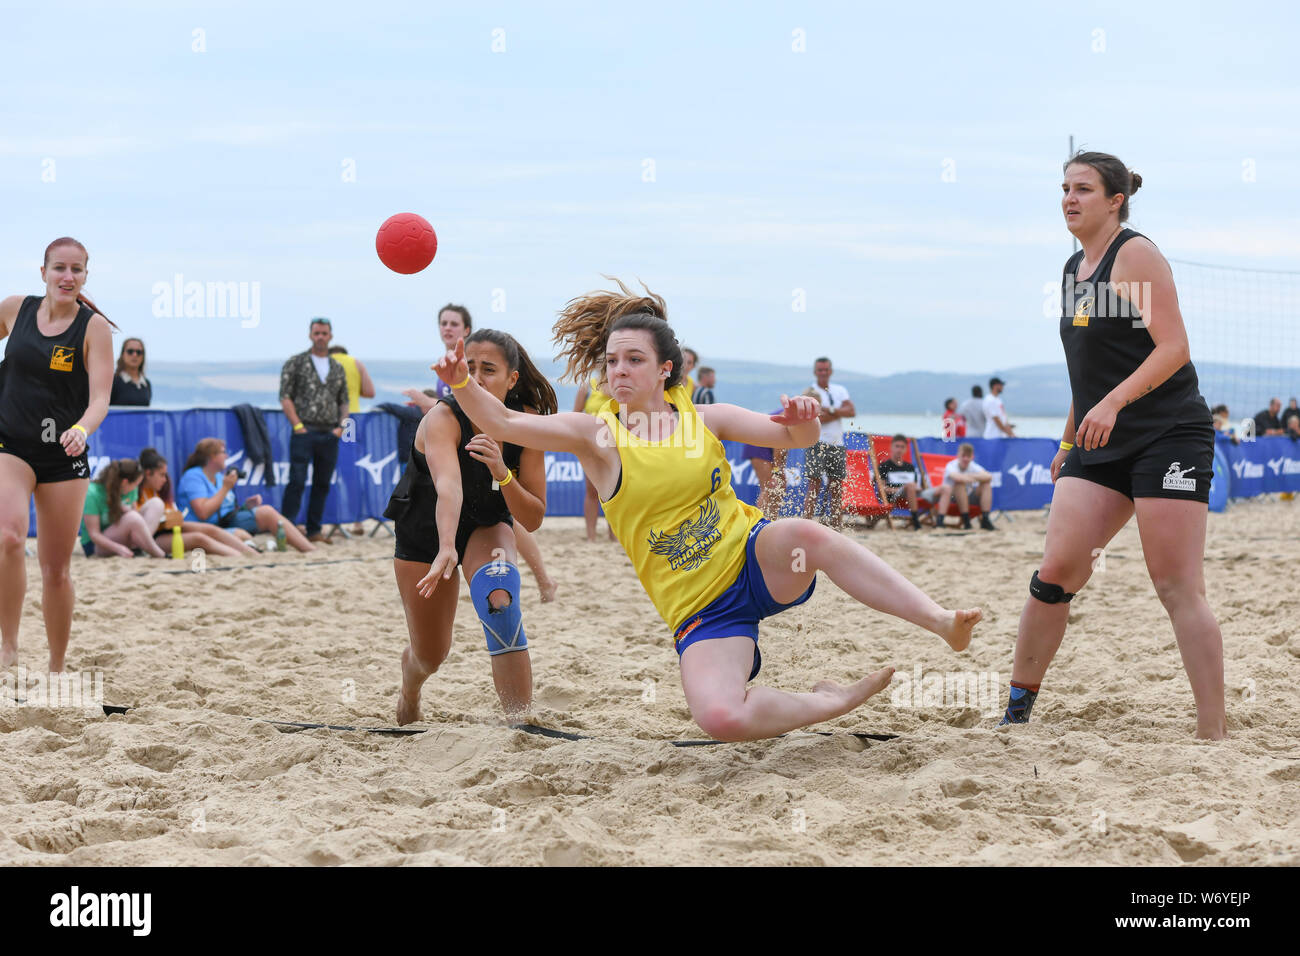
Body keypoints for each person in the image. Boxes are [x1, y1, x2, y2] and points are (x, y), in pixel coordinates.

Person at [435, 278, 981, 742]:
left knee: (805, 534)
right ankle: (831, 701)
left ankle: (939, 621)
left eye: (633, 360)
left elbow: (794, 438)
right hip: (703, 611)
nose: (618, 371)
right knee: (720, 717)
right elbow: (505, 423)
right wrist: (461, 381)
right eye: (611, 361)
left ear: (665, 368)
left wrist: (806, 415)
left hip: (754, 560)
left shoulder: (706, 418)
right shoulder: (598, 435)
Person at [1004, 150, 1224, 740]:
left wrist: (1113, 403)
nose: (1069, 199)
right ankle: (1016, 715)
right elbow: (1088, 366)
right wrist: (1069, 435)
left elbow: (1173, 347)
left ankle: (1213, 731)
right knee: (1055, 573)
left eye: (1082, 189)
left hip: (1168, 433)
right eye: (1065, 189)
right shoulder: (1074, 268)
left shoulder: (1137, 255)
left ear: (1115, 199)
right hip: (1098, 438)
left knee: (1176, 584)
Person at [388, 328, 556, 724]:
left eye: (489, 370)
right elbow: (449, 489)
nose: (477, 378)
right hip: (426, 531)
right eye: (471, 368)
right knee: (430, 655)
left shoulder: (527, 423)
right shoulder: (442, 418)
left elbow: (531, 517)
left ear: (512, 379)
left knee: (500, 598)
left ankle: (520, 723)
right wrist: (447, 546)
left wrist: (503, 472)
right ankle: (410, 689)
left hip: (485, 523)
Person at [0, 237, 115, 671]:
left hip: (64, 453)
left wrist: (82, 430)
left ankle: (56, 664)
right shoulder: (15, 308)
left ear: (85, 275)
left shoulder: (94, 328)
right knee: (8, 538)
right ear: (43, 271)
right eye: (59, 268)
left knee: (56, 569)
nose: (68, 277)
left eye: (77, 270)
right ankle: (8, 646)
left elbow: (101, 398)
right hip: (10, 444)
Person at [175, 438, 315, 552]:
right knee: (241, 536)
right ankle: (256, 548)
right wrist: (225, 488)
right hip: (204, 527)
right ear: (212, 456)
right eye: (223, 452)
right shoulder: (193, 477)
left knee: (267, 512)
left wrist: (246, 507)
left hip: (225, 521)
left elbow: (224, 509)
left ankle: (309, 549)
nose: (227, 456)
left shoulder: (218, 477)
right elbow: (203, 513)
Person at [279, 318, 349, 543]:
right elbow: (285, 396)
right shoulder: (296, 363)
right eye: (316, 333)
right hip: (304, 431)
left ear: (330, 336)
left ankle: (314, 530)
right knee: (297, 481)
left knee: (322, 483)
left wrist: (341, 427)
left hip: (329, 432)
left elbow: (344, 401)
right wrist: (297, 425)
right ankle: (288, 529)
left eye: (324, 333)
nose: (320, 336)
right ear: (310, 335)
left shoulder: (337, 367)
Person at [137, 447, 252, 557]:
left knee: (210, 530)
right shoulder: (137, 493)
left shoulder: (162, 491)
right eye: (161, 475)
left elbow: (172, 516)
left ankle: (253, 554)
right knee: (200, 539)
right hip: (154, 538)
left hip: (170, 529)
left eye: (165, 475)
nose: (165, 479)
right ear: (147, 474)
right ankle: (239, 557)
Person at [328, 344, 376, 536]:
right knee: (351, 475)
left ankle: (332, 519)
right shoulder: (356, 363)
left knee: (326, 472)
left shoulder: (324, 362)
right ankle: (357, 521)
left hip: (327, 421)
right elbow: (370, 392)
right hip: (351, 422)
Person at [803, 357, 854, 530]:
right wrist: (838, 413)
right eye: (820, 370)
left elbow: (852, 411)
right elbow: (815, 418)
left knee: (836, 485)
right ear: (815, 372)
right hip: (816, 441)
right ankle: (807, 521)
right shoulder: (809, 391)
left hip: (836, 442)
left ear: (830, 371)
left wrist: (830, 410)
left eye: (826, 370)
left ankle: (836, 524)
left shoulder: (839, 390)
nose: (823, 373)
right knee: (814, 483)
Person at [79, 458, 167, 558]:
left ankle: (142, 546)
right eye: (135, 484)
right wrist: (119, 549)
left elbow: (136, 519)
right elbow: (94, 534)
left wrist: (128, 512)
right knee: (132, 517)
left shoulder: (131, 488)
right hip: (96, 545)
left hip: (124, 534)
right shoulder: (93, 493)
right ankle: (159, 554)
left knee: (157, 503)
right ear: (125, 482)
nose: (136, 488)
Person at [573, 375, 617, 542]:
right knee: (592, 490)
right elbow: (575, 414)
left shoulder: (621, 384)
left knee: (614, 491)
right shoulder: (588, 385)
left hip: (615, 444)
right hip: (591, 444)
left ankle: (614, 536)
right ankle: (591, 537)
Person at [925, 443, 995, 530]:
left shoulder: (972, 465)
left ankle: (985, 519)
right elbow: (957, 478)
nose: (965, 459)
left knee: (986, 485)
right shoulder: (951, 465)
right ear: (958, 455)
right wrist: (974, 477)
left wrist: (968, 477)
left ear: (972, 457)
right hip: (951, 498)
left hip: (967, 496)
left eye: (968, 456)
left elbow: (988, 477)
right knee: (959, 485)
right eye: (963, 456)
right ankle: (966, 521)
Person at [876, 434, 923, 530]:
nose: (899, 449)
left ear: (906, 449)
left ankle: (939, 521)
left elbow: (917, 486)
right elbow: (882, 489)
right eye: (897, 446)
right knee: (910, 486)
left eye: (902, 447)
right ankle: (916, 522)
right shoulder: (884, 466)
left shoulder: (910, 467)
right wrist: (901, 489)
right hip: (893, 496)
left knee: (943, 489)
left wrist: (912, 488)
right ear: (891, 447)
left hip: (912, 494)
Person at [328, 345, 375, 414]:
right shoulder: (356, 363)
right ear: (345, 355)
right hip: (352, 414)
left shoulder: (322, 363)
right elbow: (369, 392)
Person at [109, 337, 151, 406]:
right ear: (122, 354)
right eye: (130, 351)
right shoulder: (112, 382)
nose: (134, 355)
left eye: (139, 352)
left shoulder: (146, 384)